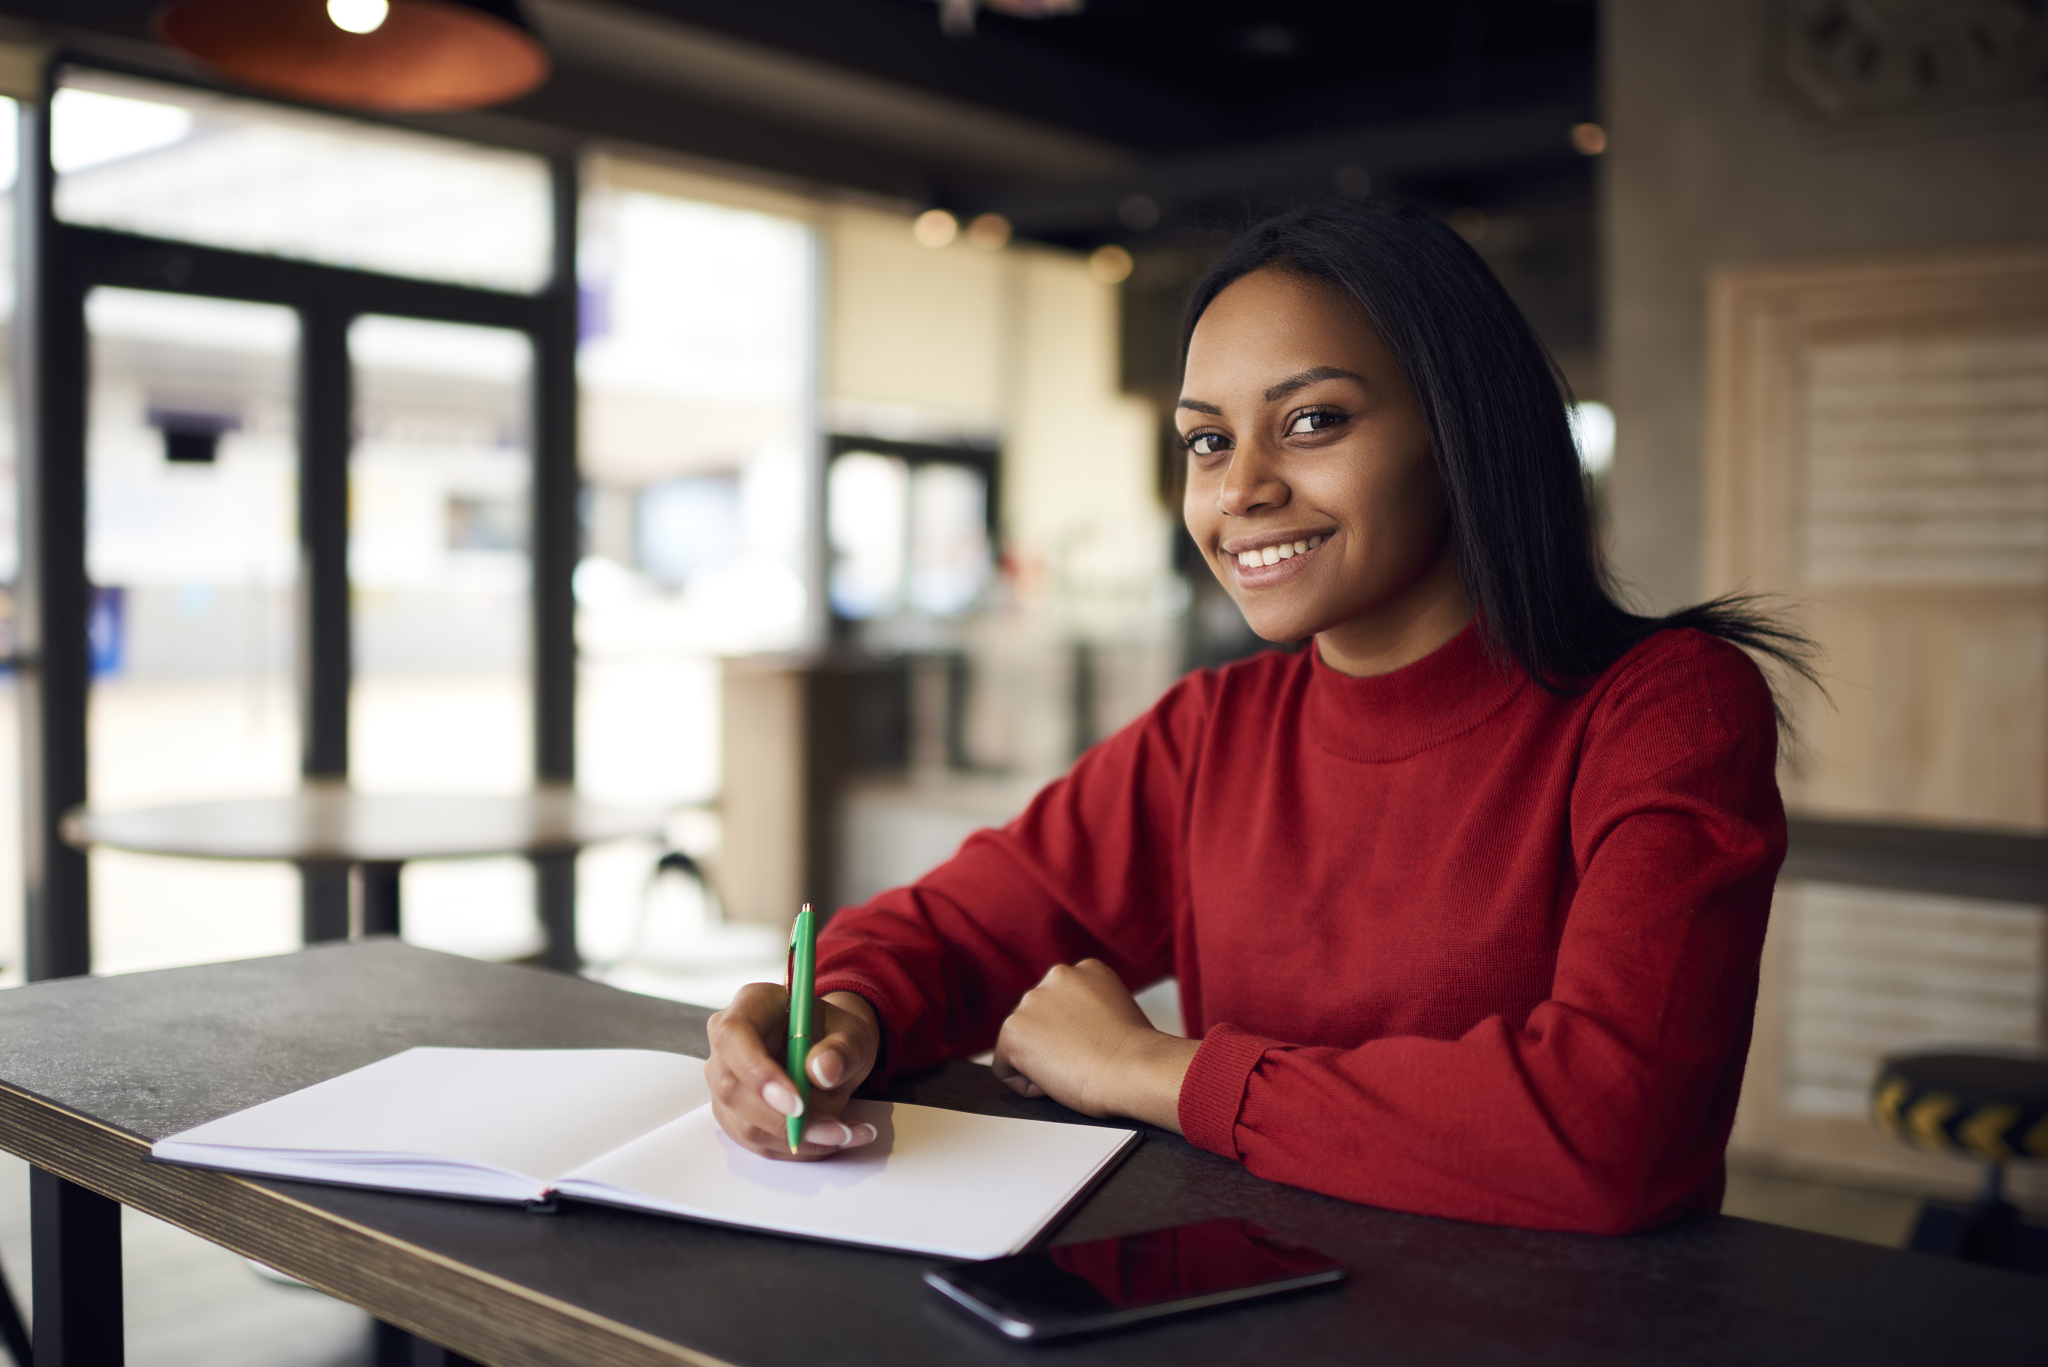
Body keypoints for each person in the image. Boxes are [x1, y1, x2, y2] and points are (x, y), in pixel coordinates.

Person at [704, 199, 1813, 1235]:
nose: (1239, 489)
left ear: (1458, 430)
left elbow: (1611, 1124)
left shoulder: (1665, 707)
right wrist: (840, 1015)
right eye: (1205, 439)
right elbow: (953, 930)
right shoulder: (1212, 732)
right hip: (1245, 1305)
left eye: (1312, 420)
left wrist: (1149, 1069)